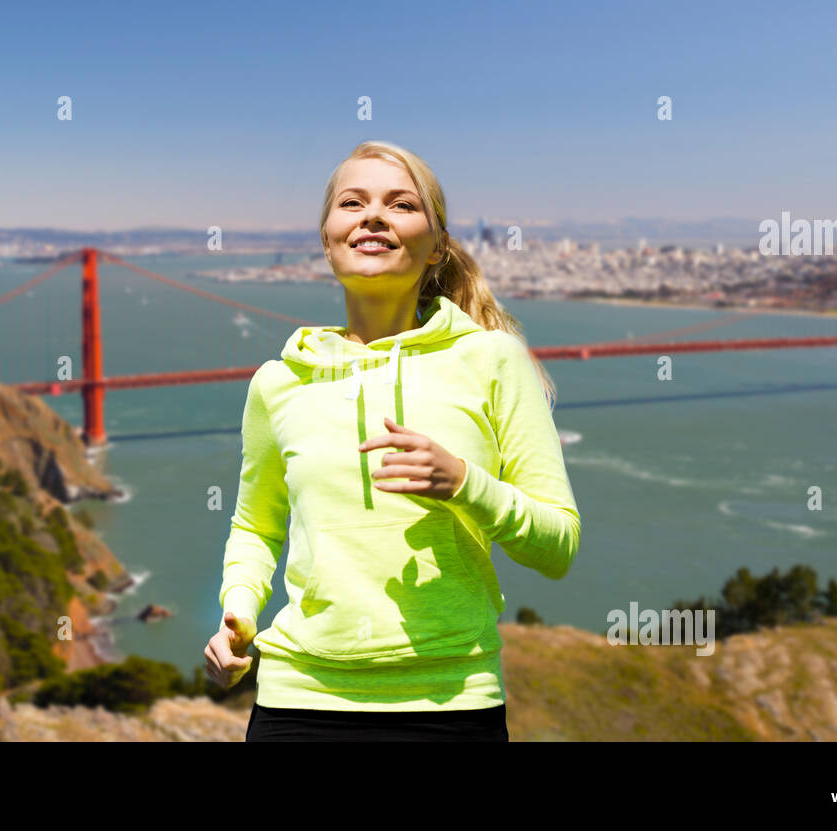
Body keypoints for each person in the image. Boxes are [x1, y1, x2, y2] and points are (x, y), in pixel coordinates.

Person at [204, 140, 581, 741]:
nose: (373, 215)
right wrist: (239, 611)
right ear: (327, 237)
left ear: (437, 245)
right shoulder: (277, 383)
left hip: (453, 705)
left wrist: (466, 484)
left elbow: (557, 547)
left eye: (400, 204)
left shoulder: (493, 361)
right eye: (352, 202)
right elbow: (256, 527)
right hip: (296, 704)